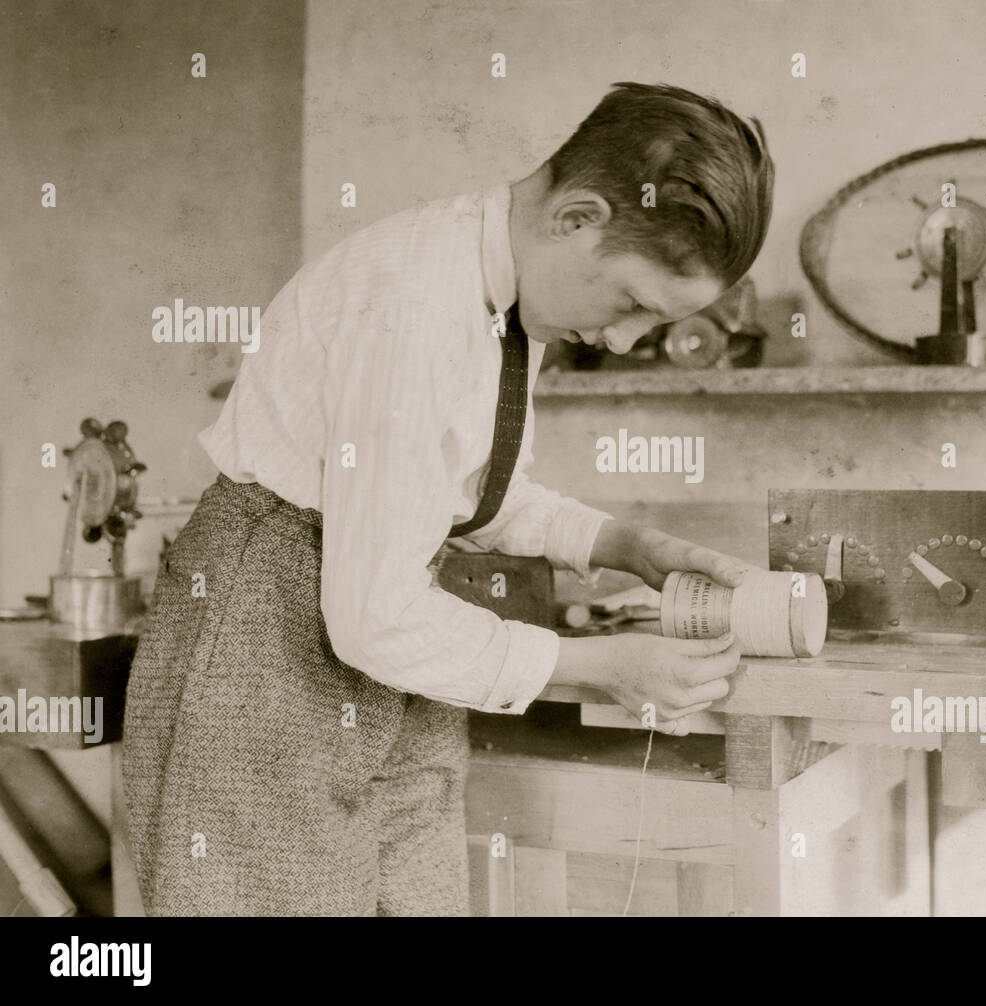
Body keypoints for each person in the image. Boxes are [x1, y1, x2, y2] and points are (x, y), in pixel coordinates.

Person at [123, 81, 775, 916]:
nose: (620, 341)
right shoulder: (411, 306)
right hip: (264, 639)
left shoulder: (506, 295)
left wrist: (621, 545)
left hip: (387, 633)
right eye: (632, 305)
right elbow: (374, 617)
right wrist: (605, 665)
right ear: (578, 219)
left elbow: (461, 495)